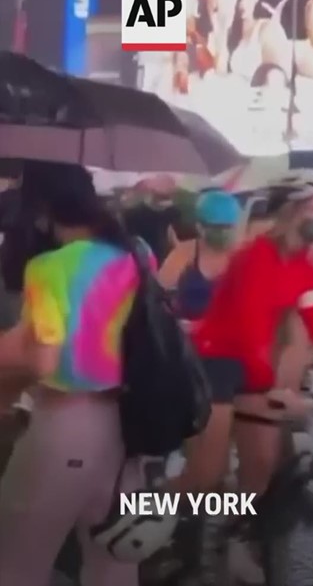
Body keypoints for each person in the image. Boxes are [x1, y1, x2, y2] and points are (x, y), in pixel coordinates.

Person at [176, 177, 313, 583]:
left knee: (261, 467)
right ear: (291, 213)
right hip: (215, 362)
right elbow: (248, 328)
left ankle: (227, 535)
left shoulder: (302, 266)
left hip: (254, 370)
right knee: (205, 474)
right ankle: (142, 513)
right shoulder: (255, 257)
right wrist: (272, 391)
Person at [0, 166, 152, 586]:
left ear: (42, 209)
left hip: (66, 424)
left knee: (17, 562)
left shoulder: (49, 269)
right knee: (115, 561)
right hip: (126, 428)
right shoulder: (136, 256)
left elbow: (43, 361)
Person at [157, 190, 242, 320]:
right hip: (192, 332)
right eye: (217, 229)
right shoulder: (185, 253)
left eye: (227, 228)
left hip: (229, 334)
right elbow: (156, 293)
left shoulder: (244, 254)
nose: (223, 234)